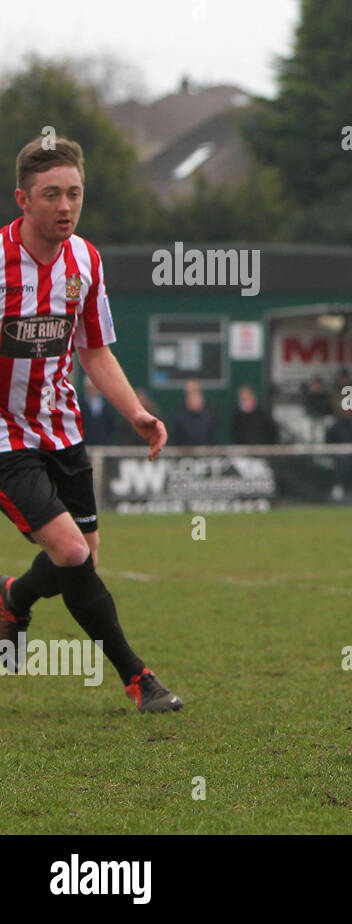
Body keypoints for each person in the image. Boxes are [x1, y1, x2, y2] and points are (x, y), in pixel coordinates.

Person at [0, 137, 182, 711]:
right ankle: (137, 677)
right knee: (72, 553)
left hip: (63, 429)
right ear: (23, 200)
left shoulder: (86, 261)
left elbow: (95, 352)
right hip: (6, 437)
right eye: (51, 194)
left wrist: (136, 413)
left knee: (80, 558)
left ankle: (13, 597)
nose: (65, 205)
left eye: (74, 193)